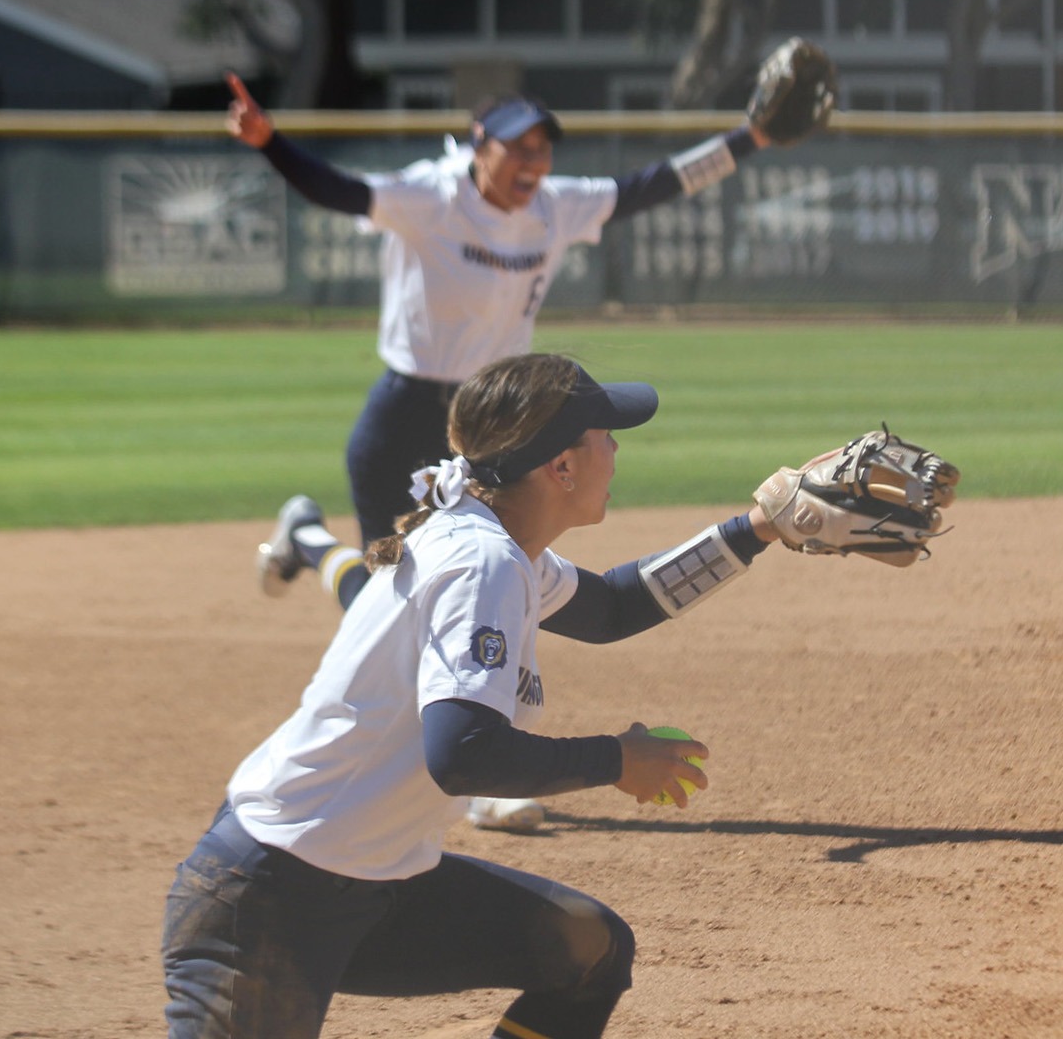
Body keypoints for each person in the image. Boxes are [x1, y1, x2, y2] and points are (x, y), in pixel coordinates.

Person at [162, 352, 789, 1039]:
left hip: (375, 886)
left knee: (588, 949)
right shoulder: (481, 561)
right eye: (604, 435)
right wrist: (617, 760)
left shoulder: (502, 546)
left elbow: (614, 606)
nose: (615, 448)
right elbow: (463, 753)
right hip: (272, 897)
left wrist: (760, 528)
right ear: (562, 467)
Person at [224, 71, 781, 564]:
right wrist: (270, 143)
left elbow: (654, 185)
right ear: (479, 143)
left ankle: (308, 542)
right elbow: (341, 192)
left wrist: (750, 138)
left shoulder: (555, 206)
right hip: (405, 415)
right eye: (518, 146)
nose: (533, 161)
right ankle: (309, 540)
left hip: (493, 416)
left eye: (542, 148)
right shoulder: (433, 196)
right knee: (386, 588)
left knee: (492, 559)